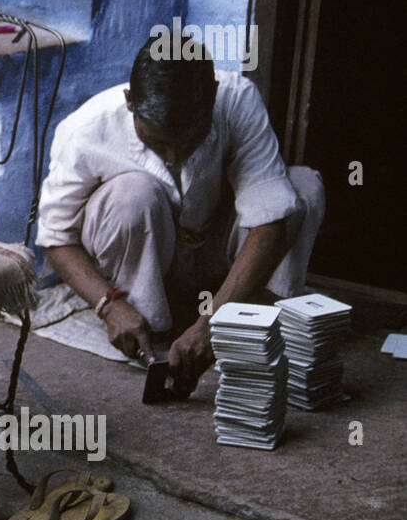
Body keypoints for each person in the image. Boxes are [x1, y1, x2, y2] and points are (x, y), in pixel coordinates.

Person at [36, 35, 324, 389]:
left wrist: (212, 324)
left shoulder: (237, 100)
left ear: (214, 95)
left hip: (214, 263)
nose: (175, 157)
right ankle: (148, 328)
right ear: (130, 103)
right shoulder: (85, 130)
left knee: (302, 188)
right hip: (145, 267)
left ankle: (256, 321)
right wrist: (107, 306)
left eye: (190, 140)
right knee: (133, 193)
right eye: (160, 143)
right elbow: (55, 238)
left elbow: (269, 220)